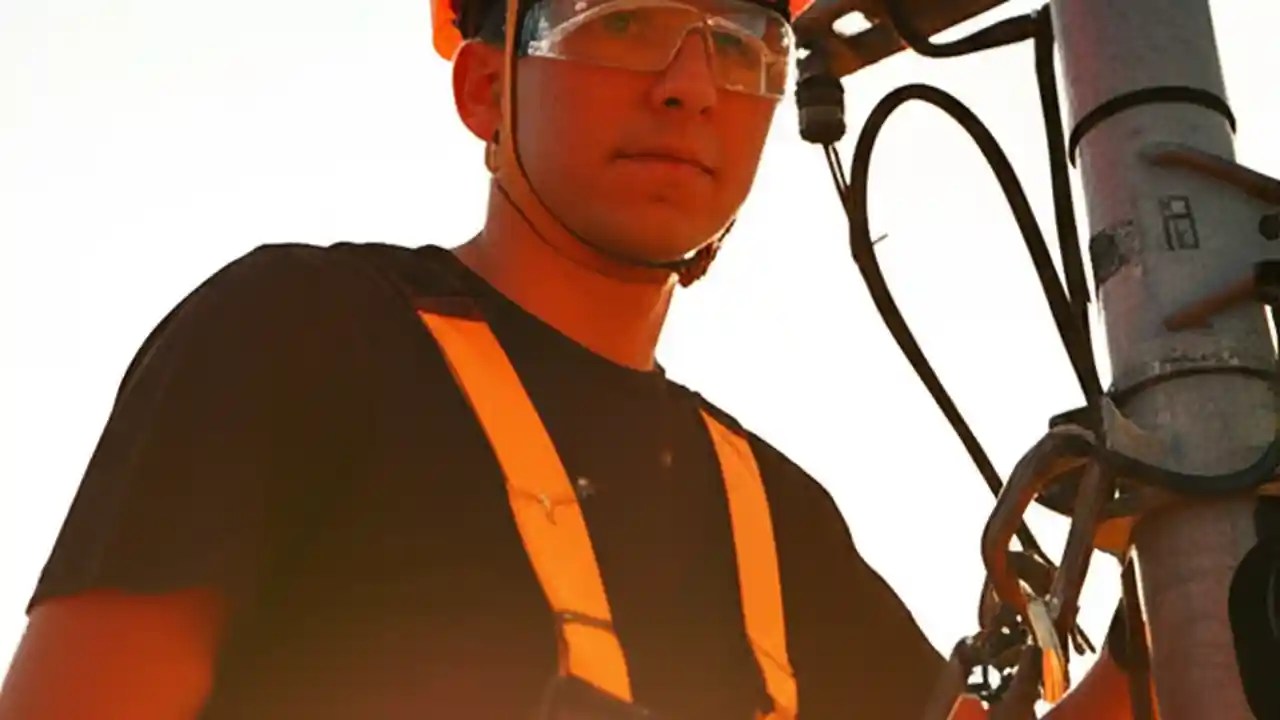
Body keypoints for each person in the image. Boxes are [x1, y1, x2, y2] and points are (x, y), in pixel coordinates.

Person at [0, 0, 1137, 716]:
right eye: (620, 22)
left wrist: (1172, 607)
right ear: (486, 88)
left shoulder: (776, 518)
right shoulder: (301, 330)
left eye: (740, 43)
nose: (690, 83)